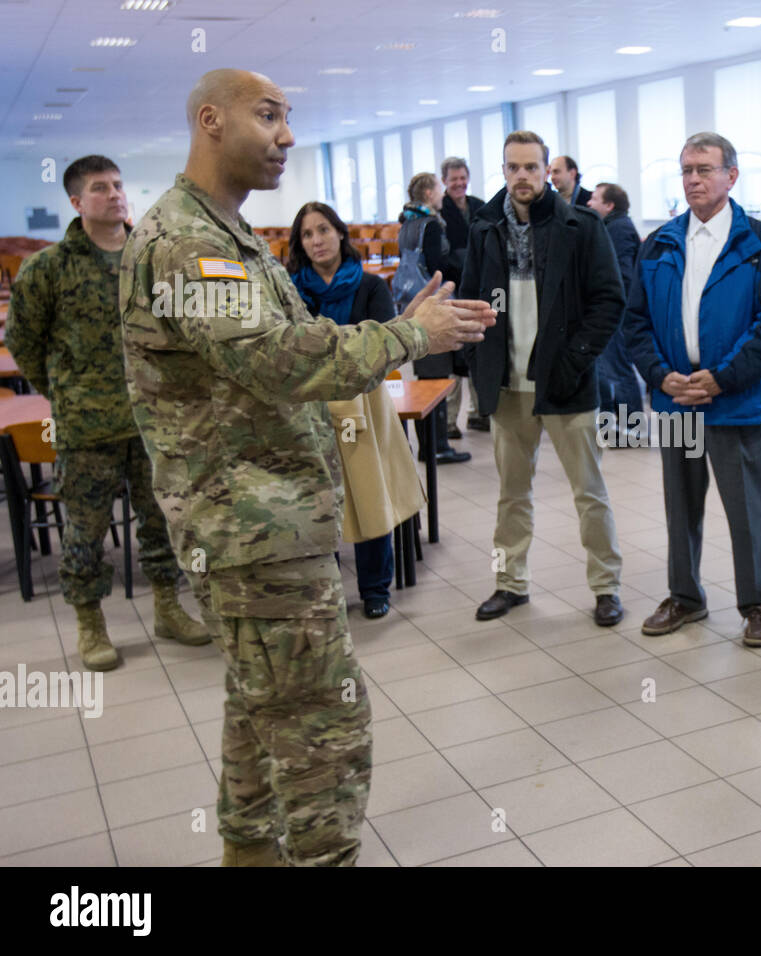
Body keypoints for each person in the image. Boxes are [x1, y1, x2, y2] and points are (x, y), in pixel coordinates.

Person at [119, 69, 495, 867]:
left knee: (260, 710)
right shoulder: (188, 243)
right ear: (211, 121)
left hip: (265, 525)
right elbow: (280, 363)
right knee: (324, 728)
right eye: (269, 116)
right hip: (250, 532)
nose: (287, 135)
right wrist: (406, 336)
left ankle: (249, 854)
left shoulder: (227, 233)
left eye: (289, 118)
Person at [7, 154, 211, 672]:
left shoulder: (151, 260)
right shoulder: (49, 268)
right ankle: (90, 624)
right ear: (76, 202)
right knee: (84, 530)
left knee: (163, 519)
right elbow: (24, 344)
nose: (115, 195)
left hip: (153, 419)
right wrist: (68, 389)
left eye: (119, 185)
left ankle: (168, 605)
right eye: (101, 188)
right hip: (86, 426)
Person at [624, 132, 761, 648]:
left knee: (748, 510)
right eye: (686, 171)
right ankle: (685, 596)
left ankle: (760, 604)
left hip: (735, 397)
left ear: (731, 176)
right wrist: (660, 374)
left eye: (704, 169)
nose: (693, 179)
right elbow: (635, 322)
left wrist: (721, 377)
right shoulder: (660, 243)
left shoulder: (758, 242)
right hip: (676, 395)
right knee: (680, 506)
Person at [462, 130, 626, 626]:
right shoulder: (484, 227)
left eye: (532, 167)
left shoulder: (580, 226)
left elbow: (609, 300)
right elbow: (470, 301)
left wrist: (574, 358)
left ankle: (606, 587)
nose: (523, 177)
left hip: (566, 383)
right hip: (507, 385)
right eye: (513, 168)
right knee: (511, 494)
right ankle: (509, 583)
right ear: (504, 170)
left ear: (548, 170)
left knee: (589, 493)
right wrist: (478, 364)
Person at [288, 200, 426, 619]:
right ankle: (327, 587)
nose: (316, 241)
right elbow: (294, 351)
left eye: (323, 230)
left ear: (340, 234)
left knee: (369, 494)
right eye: (307, 234)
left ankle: (375, 589)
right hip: (311, 408)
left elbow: (381, 351)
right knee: (318, 502)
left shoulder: (370, 287)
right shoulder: (291, 290)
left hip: (364, 405)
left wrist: (334, 349)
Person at [395, 172, 469, 464]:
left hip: (412, 302)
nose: (442, 193)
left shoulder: (406, 224)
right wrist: (462, 268)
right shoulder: (431, 225)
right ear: (428, 193)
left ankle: (429, 444)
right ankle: (437, 445)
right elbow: (439, 266)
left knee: (425, 377)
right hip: (433, 302)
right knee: (437, 378)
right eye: (439, 188)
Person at [587, 182, 645, 433]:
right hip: (605, 310)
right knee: (605, 368)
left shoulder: (619, 229)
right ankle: (611, 423)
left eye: (594, 199)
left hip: (615, 311)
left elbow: (622, 275)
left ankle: (633, 426)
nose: (589, 203)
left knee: (618, 369)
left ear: (609, 205)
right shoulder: (611, 226)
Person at [441, 157, 489, 433]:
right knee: (453, 351)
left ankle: (479, 412)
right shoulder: (441, 211)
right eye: (453, 179)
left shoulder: (480, 206)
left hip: (480, 287)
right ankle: (449, 421)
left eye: (462, 178)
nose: (459, 183)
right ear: (444, 182)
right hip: (452, 289)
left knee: (478, 346)